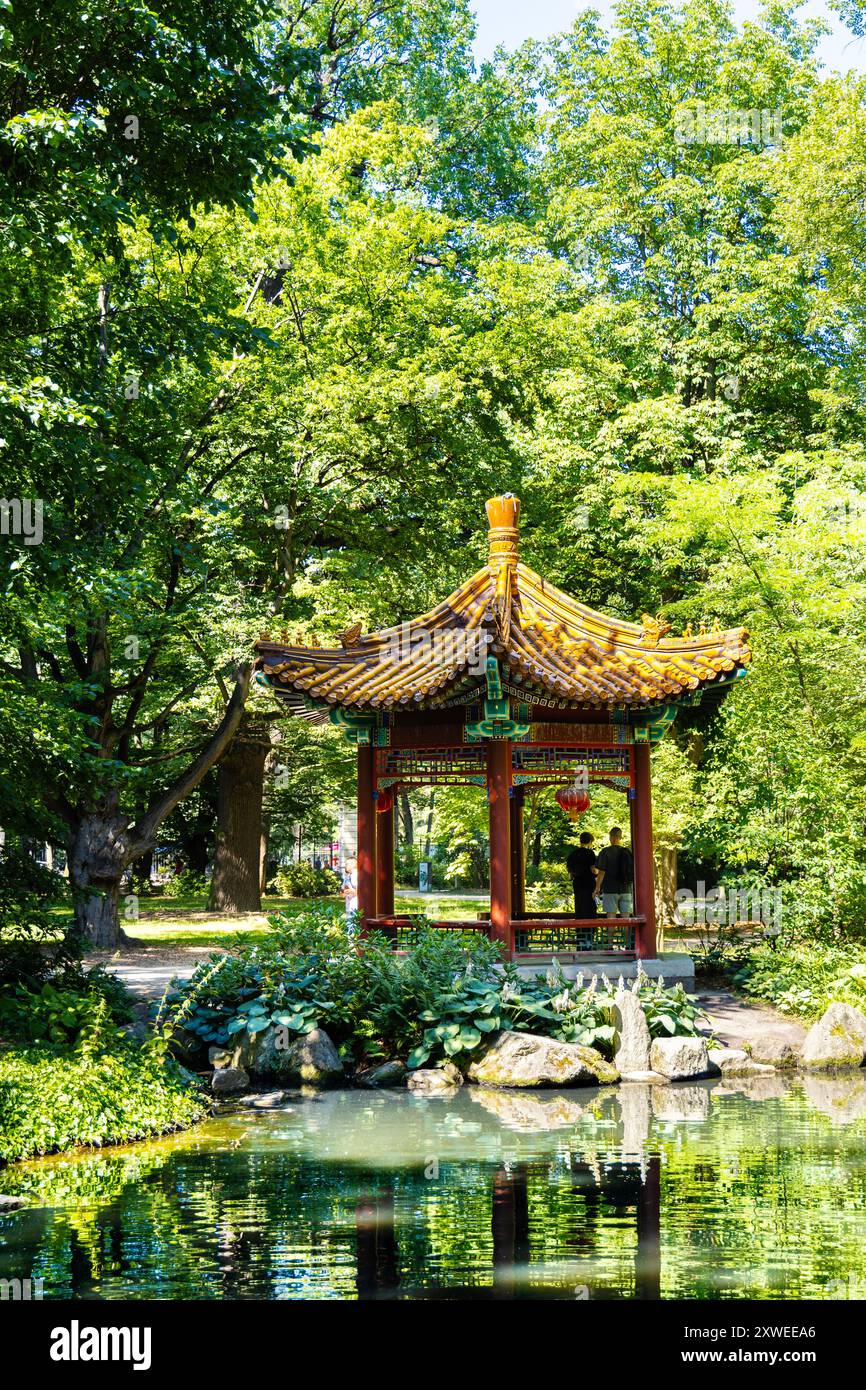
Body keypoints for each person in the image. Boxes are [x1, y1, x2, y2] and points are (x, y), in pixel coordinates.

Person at [595, 827, 634, 918]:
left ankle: (611, 933)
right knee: (626, 919)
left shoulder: (605, 852)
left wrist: (597, 888)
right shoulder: (627, 852)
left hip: (610, 890)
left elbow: (601, 872)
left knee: (611, 920)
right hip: (626, 889)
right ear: (620, 837)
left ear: (610, 837)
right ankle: (626, 933)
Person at [566, 832, 599, 918]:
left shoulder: (572, 854)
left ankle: (580, 929)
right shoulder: (590, 853)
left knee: (579, 906)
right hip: (589, 884)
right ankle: (590, 930)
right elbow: (594, 870)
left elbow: (570, 875)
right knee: (590, 907)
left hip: (577, 884)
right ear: (590, 841)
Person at [342, 855, 359, 929]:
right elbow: (344, 888)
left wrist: (351, 891)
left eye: (347, 864)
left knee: (352, 925)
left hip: (354, 905)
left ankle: (352, 940)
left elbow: (360, 890)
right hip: (349, 904)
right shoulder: (349, 875)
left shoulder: (355, 875)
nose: (345, 866)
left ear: (353, 865)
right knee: (350, 924)